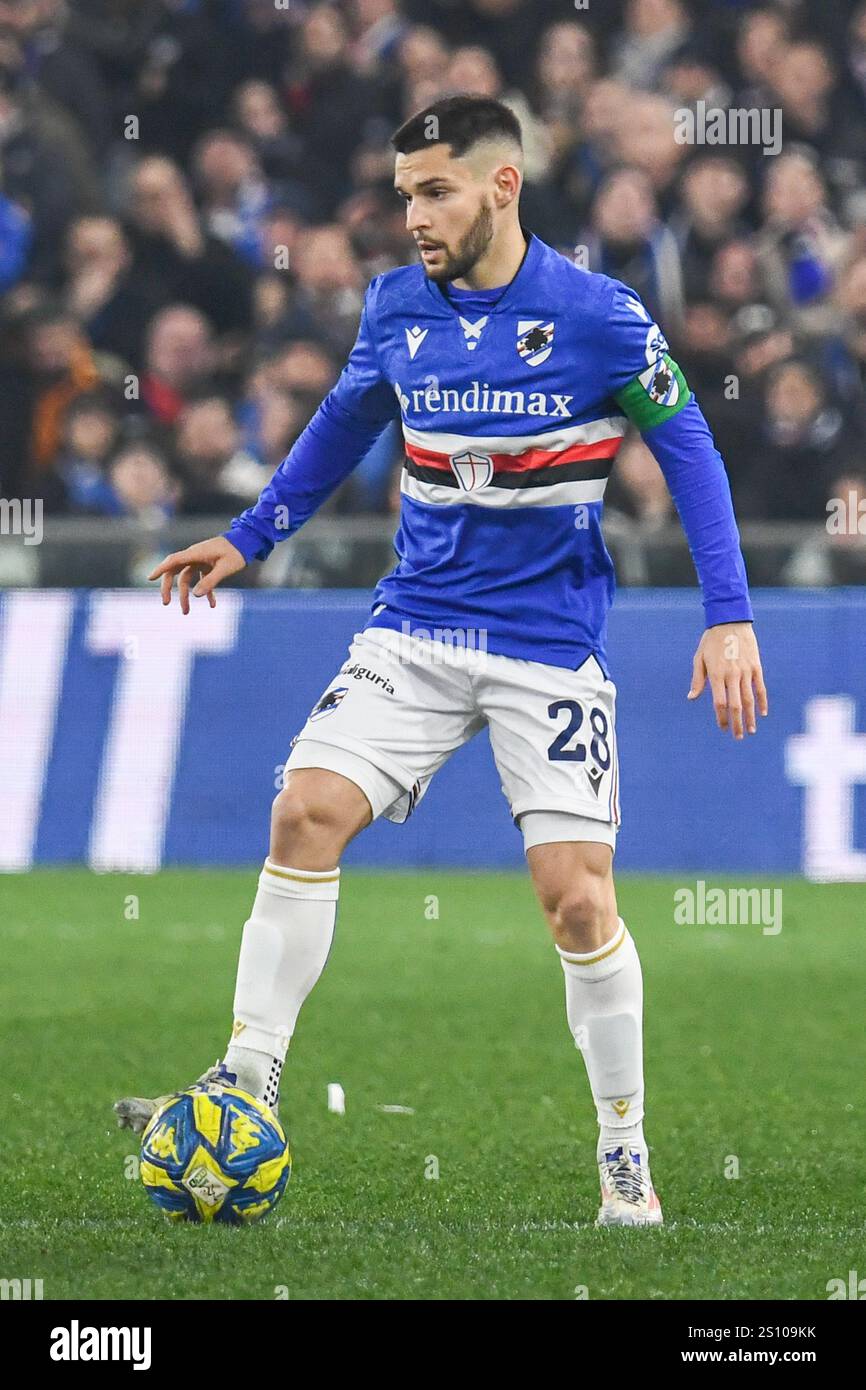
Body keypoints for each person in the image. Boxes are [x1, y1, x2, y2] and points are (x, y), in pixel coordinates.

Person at [115, 96, 768, 1229]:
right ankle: (250, 1073)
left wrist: (729, 613)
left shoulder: (598, 315)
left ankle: (622, 1150)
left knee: (574, 904)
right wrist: (251, 533)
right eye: (404, 192)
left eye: (434, 192)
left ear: (501, 186)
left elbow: (689, 445)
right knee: (303, 812)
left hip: (545, 648)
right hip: (412, 629)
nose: (412, 215)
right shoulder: (393, 307)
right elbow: (338, 424)